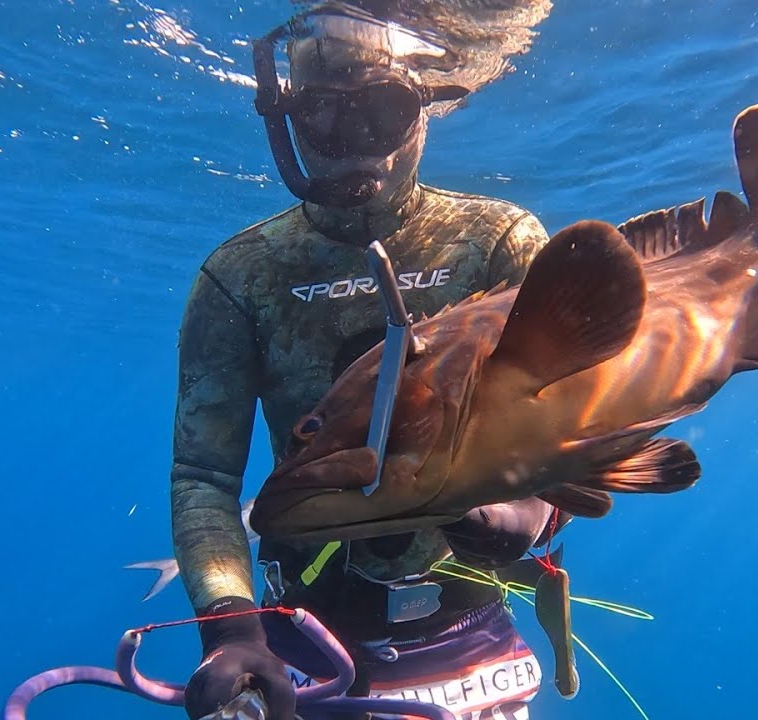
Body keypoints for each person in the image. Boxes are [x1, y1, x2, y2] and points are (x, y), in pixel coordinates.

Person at [170, 5, 566, 720]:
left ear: (425, 109)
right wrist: (231, 627)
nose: (358, 146)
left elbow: (579, 412)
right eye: (324, 116)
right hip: (303, 640)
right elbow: (203, 476)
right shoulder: (239, 276)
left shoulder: (500, 242)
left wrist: (538, 507)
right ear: (286, 119)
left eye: (381, 111)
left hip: (469, 628)